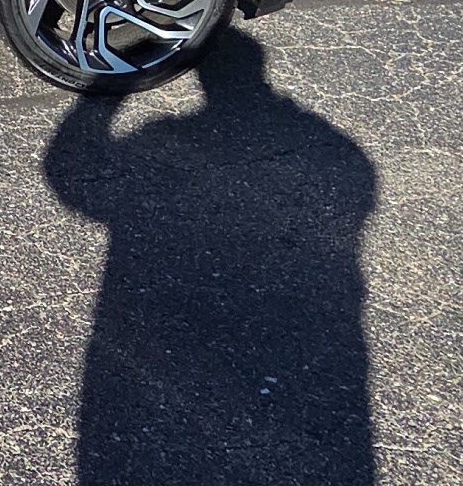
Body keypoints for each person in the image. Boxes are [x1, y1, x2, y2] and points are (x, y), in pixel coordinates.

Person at [44, 29, 376, 485]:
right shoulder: (336, 147)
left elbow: (73, 182)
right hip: (315, 347)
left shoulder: (162, 135)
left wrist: (100, 94)